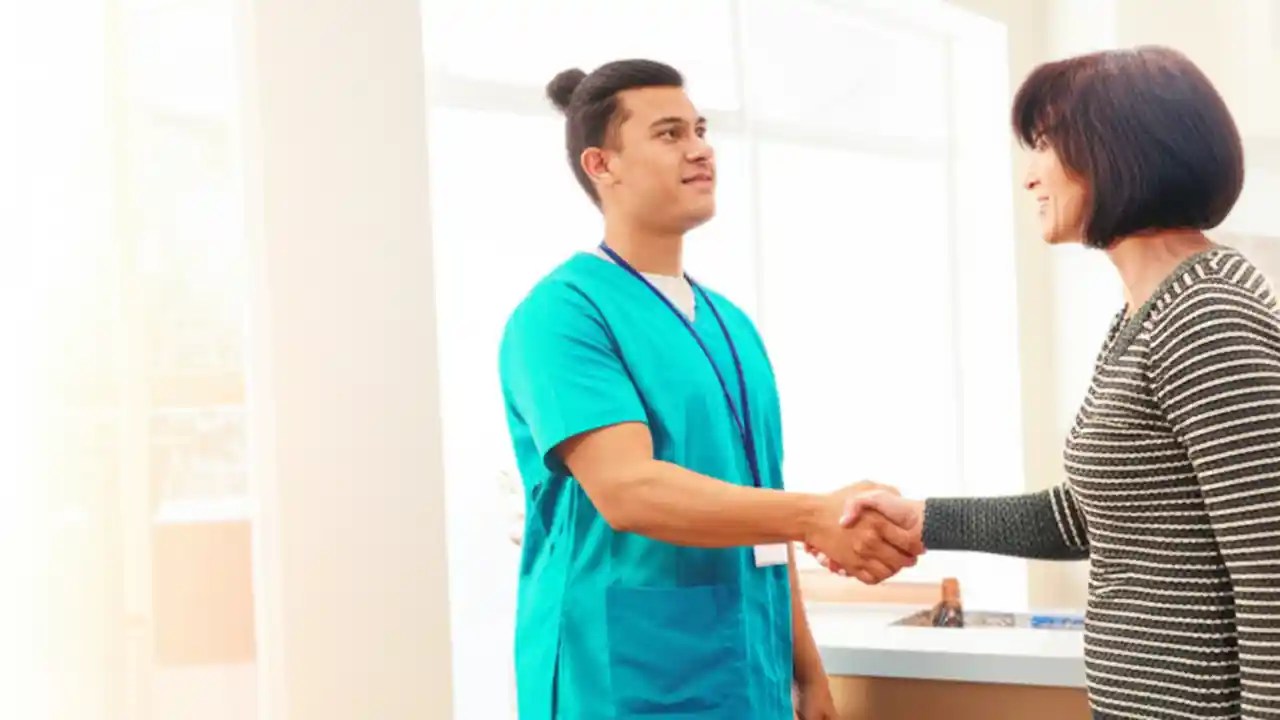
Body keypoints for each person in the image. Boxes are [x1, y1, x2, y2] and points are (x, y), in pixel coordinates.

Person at [817, 46, 1280, 720]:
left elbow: (1272, 571)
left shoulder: (1204, 316)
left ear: (1119, 148)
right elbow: (1092, 515)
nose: (1030, 176)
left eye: (1045, 144)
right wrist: (925, 519)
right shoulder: (1148, 311)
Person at [498, 59, 920, 720]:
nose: (700, 149)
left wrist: (806, 670)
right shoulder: (562, 314)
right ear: (601, 165)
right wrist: (816, 515)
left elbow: (763, 503)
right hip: (618, 679)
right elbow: (629, 491)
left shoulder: (731, 325)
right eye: (669, 134)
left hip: (747, 675)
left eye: (699, 130)